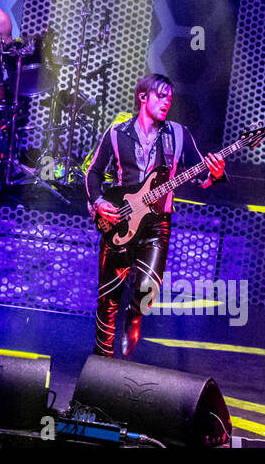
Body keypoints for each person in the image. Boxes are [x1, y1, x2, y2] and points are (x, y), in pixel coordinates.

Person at [84, 73, 226, 357]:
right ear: (143, 97)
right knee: (108, 296)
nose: (166, 103)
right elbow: (93, 173)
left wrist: (216, 175)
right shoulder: (116, 133)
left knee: (149, 288)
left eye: (170, 99)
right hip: (121, 221)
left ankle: (135, 314)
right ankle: (101, 359)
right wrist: (99, 202)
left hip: (157, 225)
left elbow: (201, 176)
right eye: (161, 96)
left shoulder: (178, 134)